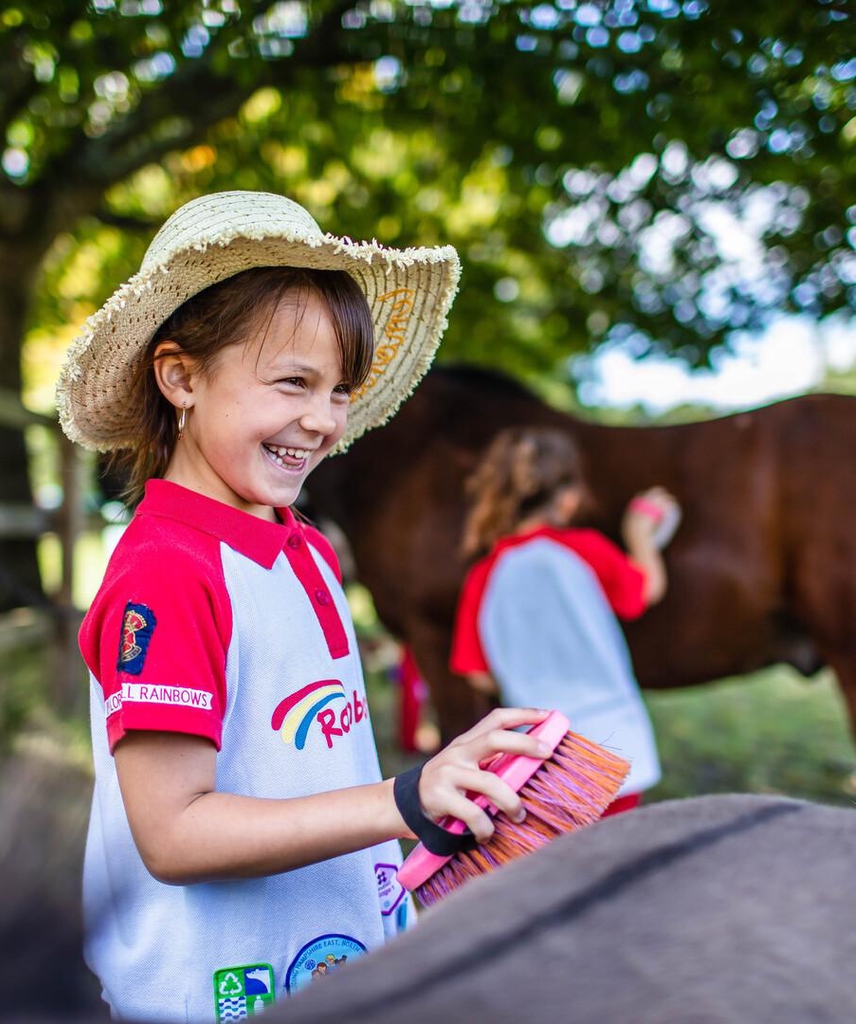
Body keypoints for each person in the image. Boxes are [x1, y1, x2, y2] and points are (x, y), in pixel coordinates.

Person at [55, 191, 556, 1024]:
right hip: (211, 994)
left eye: (340, 390)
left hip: (336, 970)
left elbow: (317, 756)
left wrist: (436, 802)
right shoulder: (168, 572)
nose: (323, 421)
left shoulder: (306, 545)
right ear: (181, 376)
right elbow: (174, 836)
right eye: (294, 382)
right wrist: (401, 799)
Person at [450, 426, 679, 815]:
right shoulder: (586, 548)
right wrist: (639, 533)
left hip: (541, 756)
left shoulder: (483, 575)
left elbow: (478, 674)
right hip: (616, 743)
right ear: (568, 499)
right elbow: (644, 591)